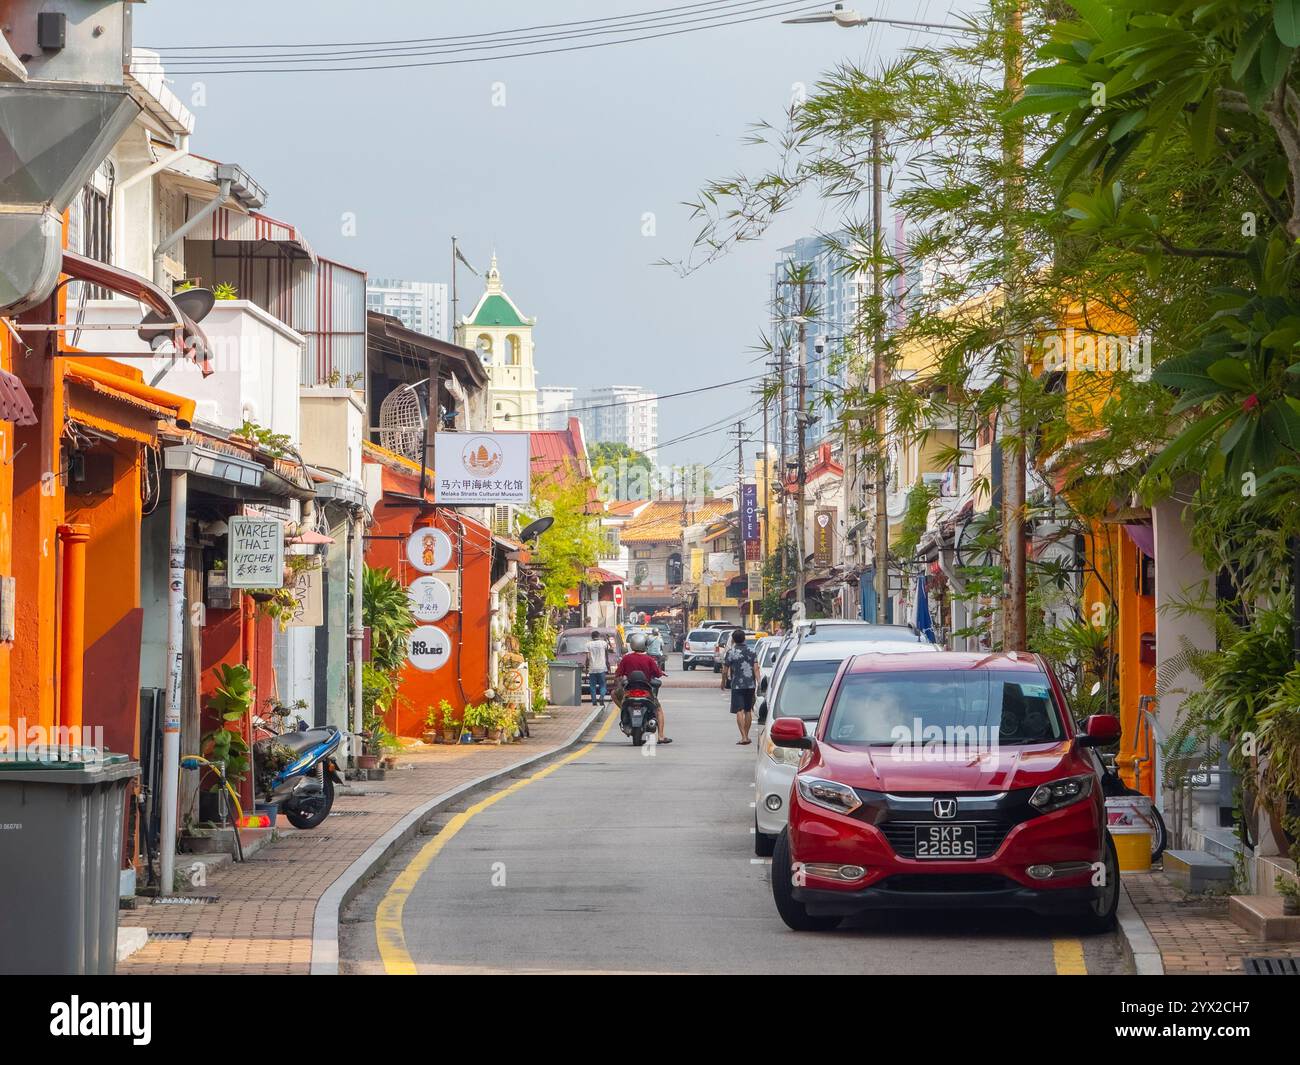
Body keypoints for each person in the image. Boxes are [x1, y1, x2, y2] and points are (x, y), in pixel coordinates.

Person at [614, 630, 671, 744]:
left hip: (629, 691)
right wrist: (661, 673)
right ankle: (660, 736)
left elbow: (618, 674)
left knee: (613, 694)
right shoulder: (649, 659)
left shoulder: (626, 658)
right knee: (658, 710)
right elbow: (657, 673)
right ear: (644, 645)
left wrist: (619, 684)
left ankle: (625, 710)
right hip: (646, 690)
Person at [722, 627, 759, 745]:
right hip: (750, 685)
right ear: (744, 639)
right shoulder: (752, 651)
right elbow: (756, 668)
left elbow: (724, 670)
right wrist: (758, 682)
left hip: (737, 685)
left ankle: (743, 736)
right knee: (748, 710)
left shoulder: (731, 652)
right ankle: (747, 736)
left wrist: (723, 682)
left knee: (739, 710)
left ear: (733, 640)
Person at [584, 630, 612, 707]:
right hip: (602, 668)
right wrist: (608, 640)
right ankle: (602, 697)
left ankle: (594, 701)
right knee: (603, 685)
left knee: (592, 686)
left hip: (592, 668)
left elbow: (587, 658)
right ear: (599, 636)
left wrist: (586, 667)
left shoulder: (588, 644)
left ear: (592, 637)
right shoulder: (603, 643)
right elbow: (610, 650)